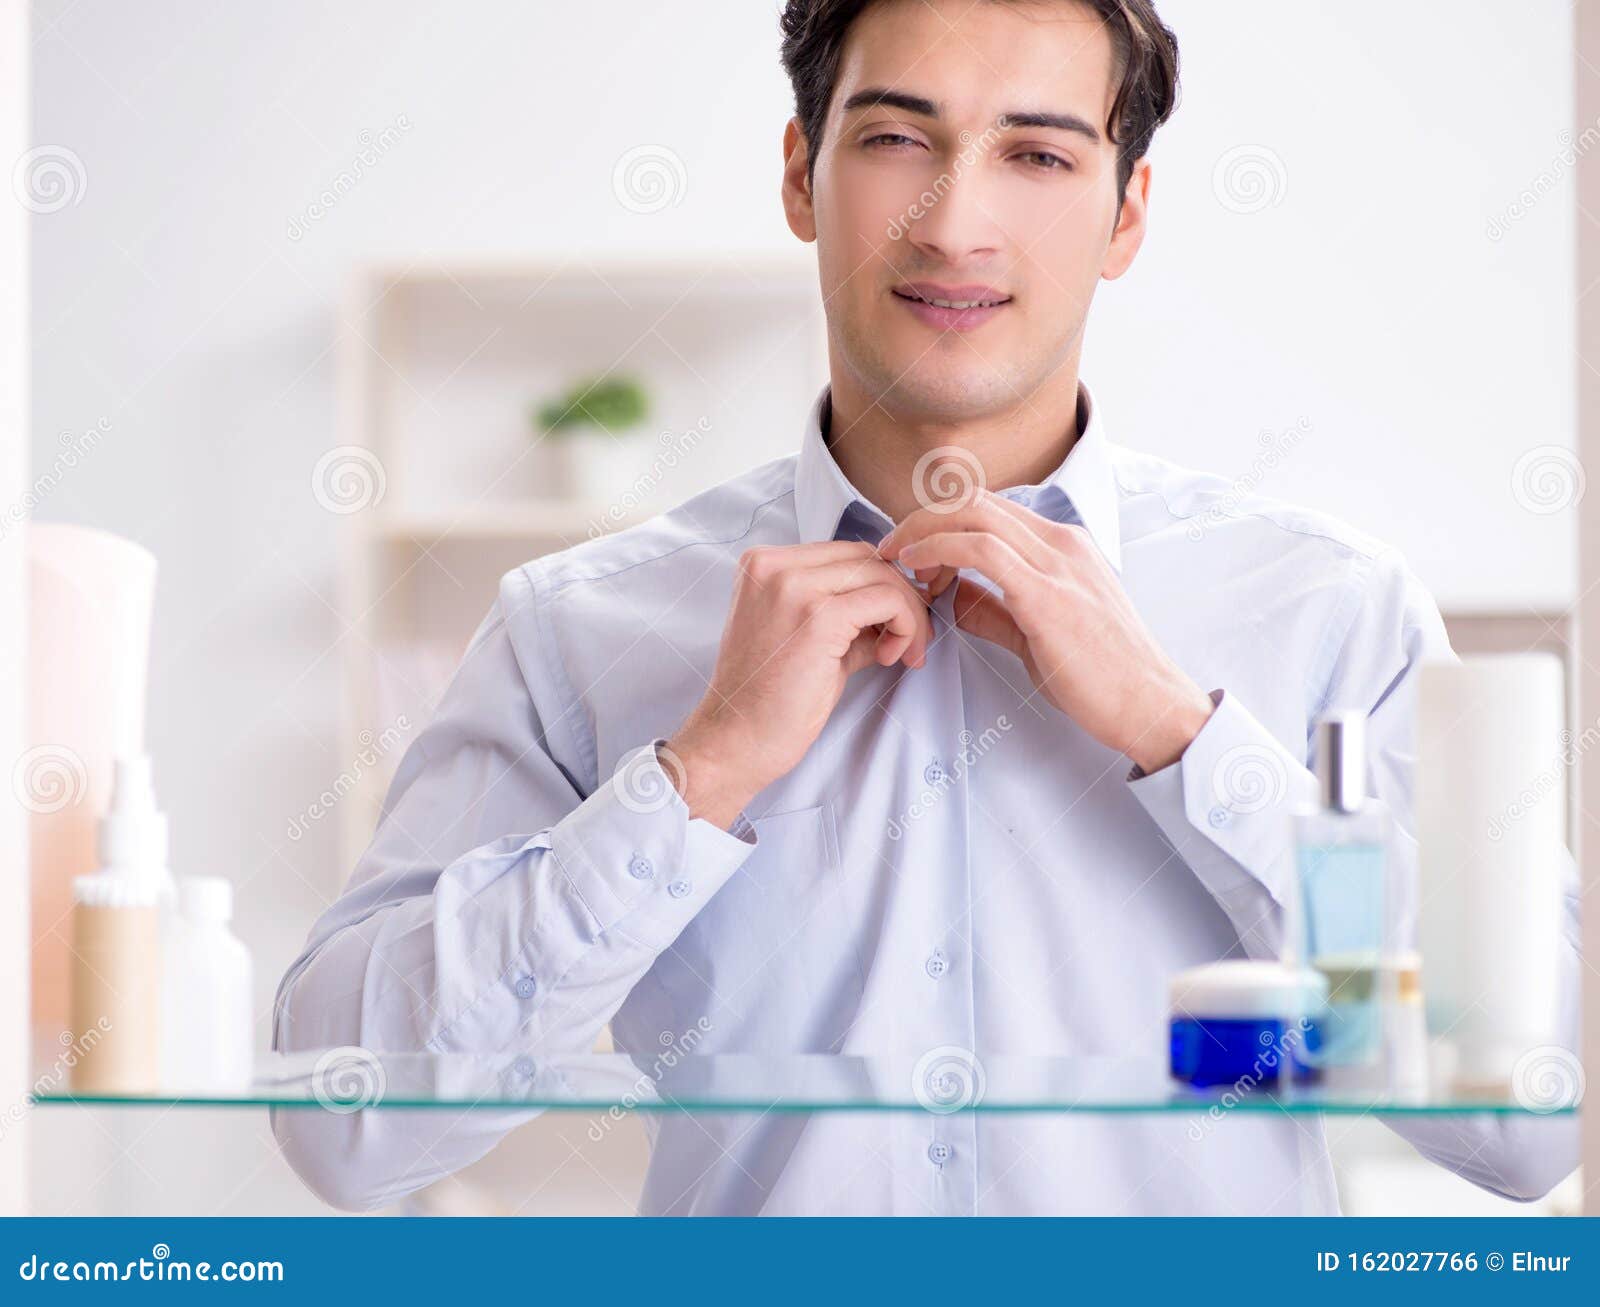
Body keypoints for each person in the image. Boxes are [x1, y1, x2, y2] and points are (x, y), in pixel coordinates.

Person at [274, 0, 1581, 1214]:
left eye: (1039, 156)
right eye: (900, 139)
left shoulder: (1329, 610)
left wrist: (1189, 742)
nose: (956, 224)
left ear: (1128, 212)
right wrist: (696, 775)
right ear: (802, 173)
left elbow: (1534, 1131)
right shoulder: (580, 629)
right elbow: (343, 1129)